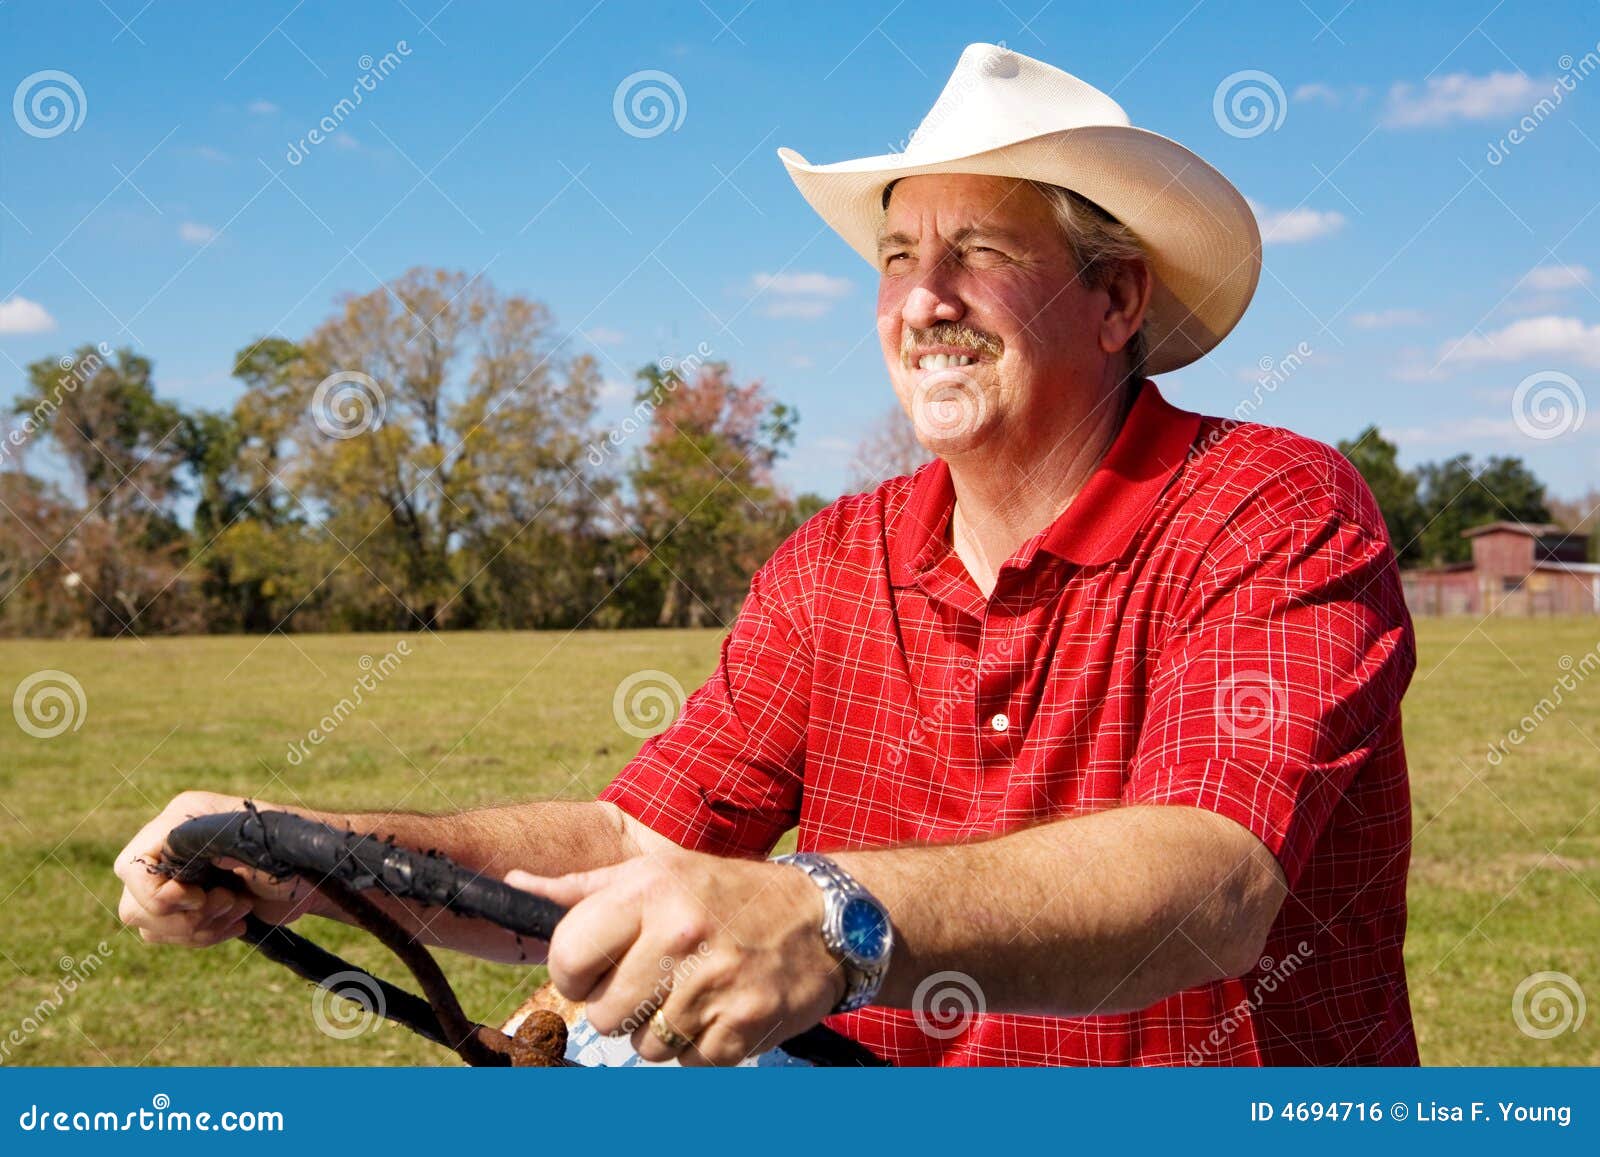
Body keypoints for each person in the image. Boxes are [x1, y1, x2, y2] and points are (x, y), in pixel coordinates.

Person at [115, 43, 1418, 1067]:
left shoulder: (1271, 507)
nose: (923, 299)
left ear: (1118, 297)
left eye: (980, 253)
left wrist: (827, 915)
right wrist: (318, 853)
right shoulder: (834, 561)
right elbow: (631, 838)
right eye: (899, 256)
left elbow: (1215, 881)